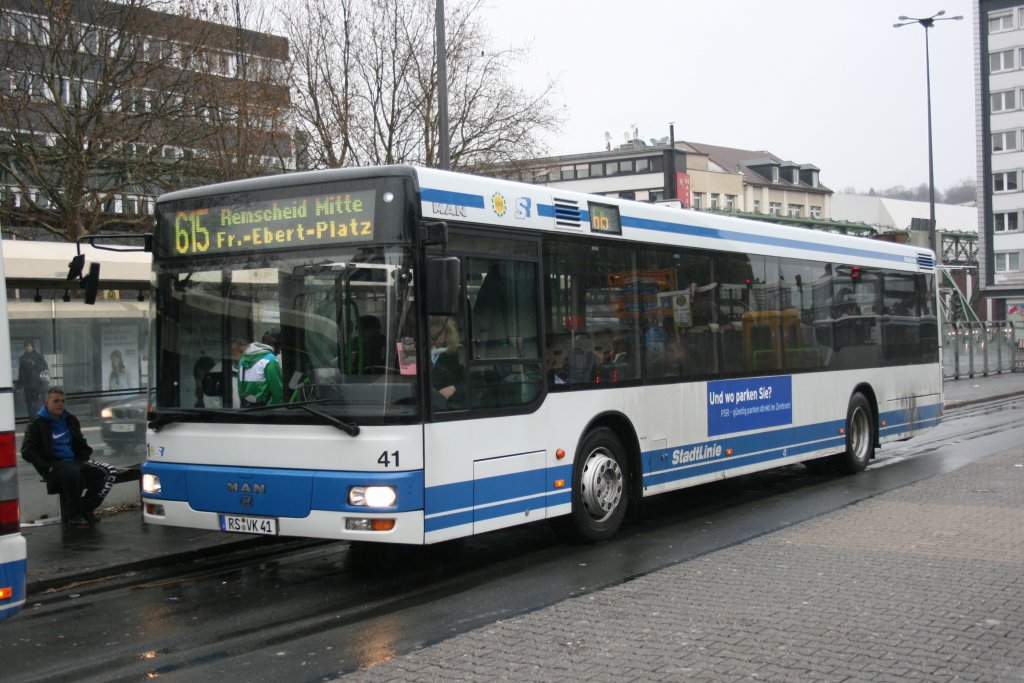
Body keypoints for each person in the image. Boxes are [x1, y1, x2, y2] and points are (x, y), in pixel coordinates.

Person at [21, 388, 115, 526]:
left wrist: (84, 455)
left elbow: (80, 441)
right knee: (73, 475)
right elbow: (27, 451)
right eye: (56, 401)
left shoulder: (70, 419)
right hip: (54, 464)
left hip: (75, 461)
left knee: (107, 472)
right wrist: (46, 466)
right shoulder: (37, 423)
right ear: (47, 403)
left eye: (63, 401)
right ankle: (74, 515)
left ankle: (86, 508)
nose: (61, 404)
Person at [237, 329, 284, 406]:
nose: (279, 352)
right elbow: (277, 392)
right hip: (265, 412)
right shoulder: (270, 360)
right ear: (274, 346)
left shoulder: (243, 360)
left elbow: (240, 390)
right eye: (279, 348)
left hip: (246, 411)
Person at [429, 316, 465, 409]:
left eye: (437, 336)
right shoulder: (418, 353)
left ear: (447, 333)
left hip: (448, 406)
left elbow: (466, 382)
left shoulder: (453, 355)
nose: (434, 340)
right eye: (431, 337)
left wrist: (453, 388)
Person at [17, 340, 48, 416]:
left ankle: (39, 417)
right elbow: (21, 373)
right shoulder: (22, 358)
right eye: (26, 346)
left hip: (38, 383)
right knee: (29, 402)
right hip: (28, 384)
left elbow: (45, 369)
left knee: (38, 401)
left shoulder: (39, 357)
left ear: (33, 347)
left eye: (29, 345)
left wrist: (45, 382)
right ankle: (31, 417)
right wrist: (19, 385)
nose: (28, 347)